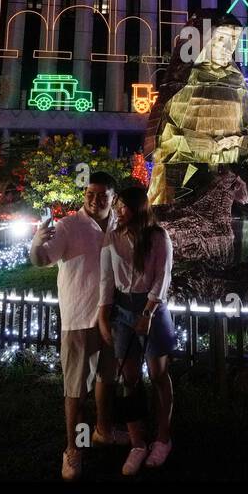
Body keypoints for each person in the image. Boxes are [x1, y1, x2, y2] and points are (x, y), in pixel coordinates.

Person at [28, 171, 127, 480]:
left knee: (106, 380)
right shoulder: (68, 226)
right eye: (90, 193)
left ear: (113, 198)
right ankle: (73, 449)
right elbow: (42, 259)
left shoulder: (119, 226)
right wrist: (35, 243)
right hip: (78, 318)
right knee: (75, 389)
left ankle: (103, 431)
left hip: (110, 320)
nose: (95, 199)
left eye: (102, 195)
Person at [145, 9, 248, 211]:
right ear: (202, 40)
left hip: (234, 173)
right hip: (191, 176)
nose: (229, 47)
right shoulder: (184, 80)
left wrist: (242, 141)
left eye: (234, 40)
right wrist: (207, 145)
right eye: (221, 38)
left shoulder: (237, 81)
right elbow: (165, 135)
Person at [97, 185, 177, 475]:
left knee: (158, 374)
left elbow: (162, 276)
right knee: (129, 378)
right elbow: (107, 280)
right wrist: (104, 316)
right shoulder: (113, 238)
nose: (119, 211)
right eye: (117, 205)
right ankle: (137, 443)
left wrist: (148, 312)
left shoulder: (158, 237)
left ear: (138, 208)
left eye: (123, 206)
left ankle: (163, 438)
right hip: (123, 310)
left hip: (151, 307)